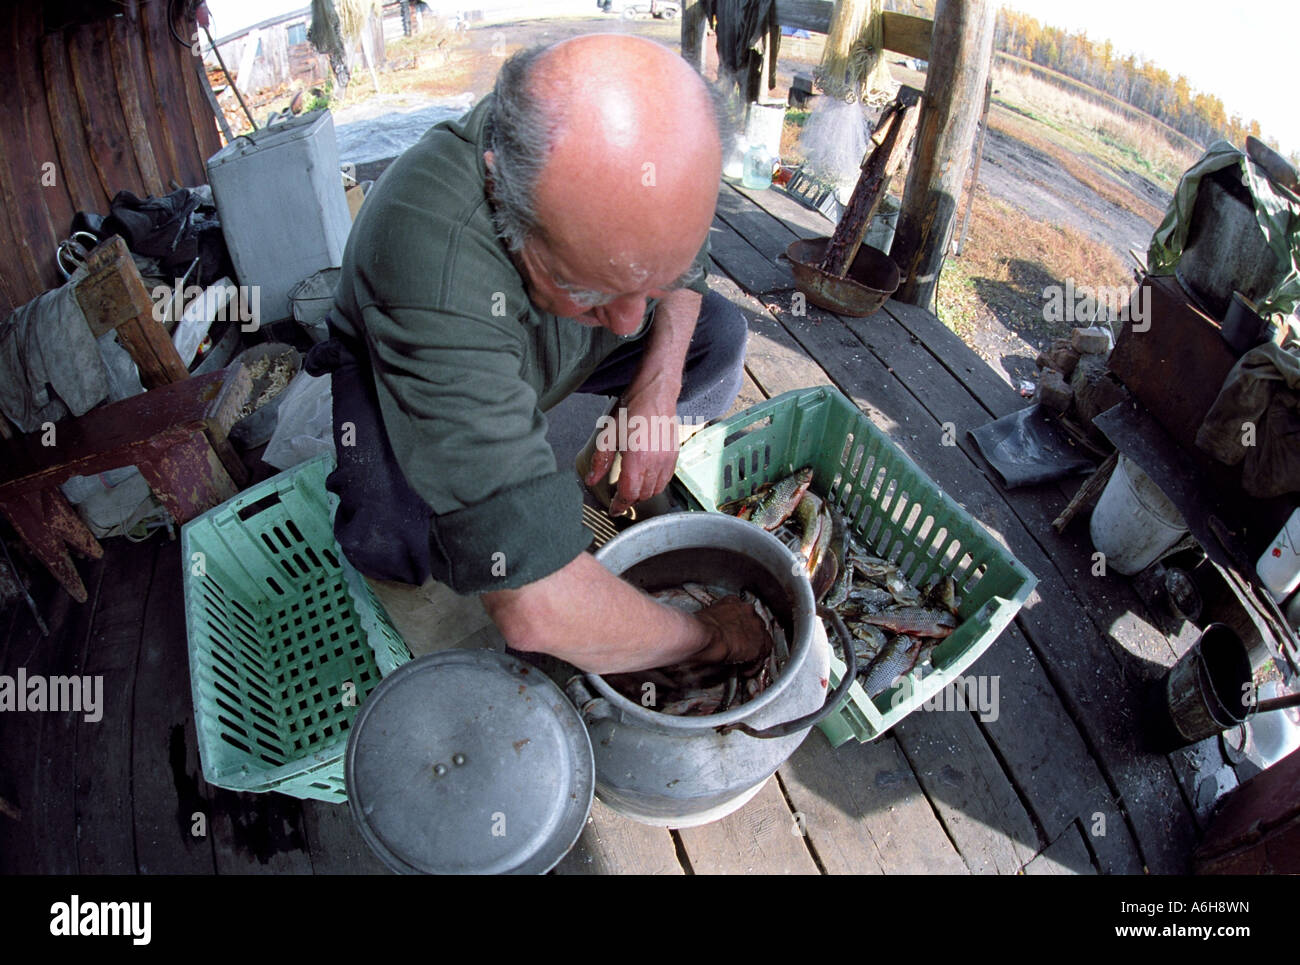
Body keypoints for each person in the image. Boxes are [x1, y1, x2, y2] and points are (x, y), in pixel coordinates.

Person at [307, 34, 769, 675]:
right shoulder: (428, 259)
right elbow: (534, 608)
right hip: (410, 364)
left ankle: (595, 468)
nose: (634, 319)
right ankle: (511, 505)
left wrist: (654, 391)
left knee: (716, 335)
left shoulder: (659, 172)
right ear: (503, 193)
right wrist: (705, 638)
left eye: (647, 286)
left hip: (546, 330)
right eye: (595, 289)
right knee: (395, 539)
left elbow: (685, 280)